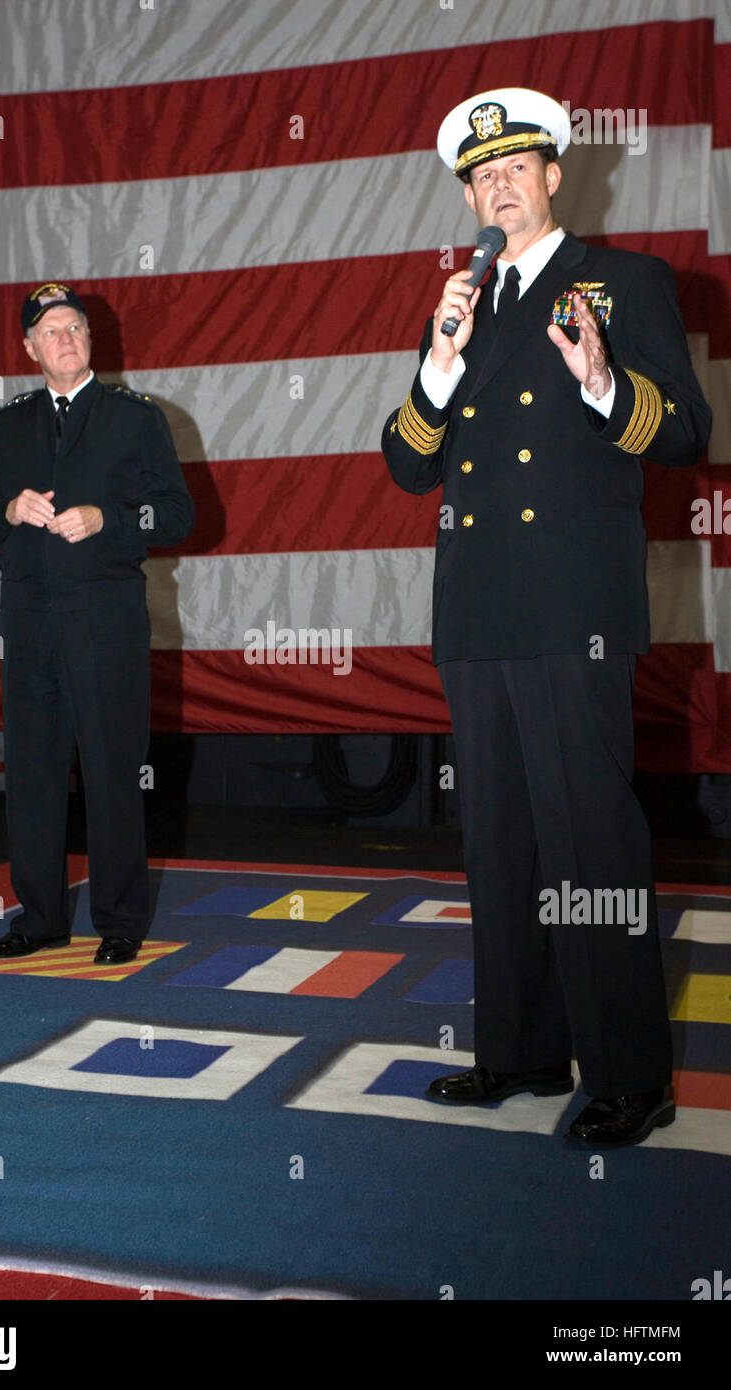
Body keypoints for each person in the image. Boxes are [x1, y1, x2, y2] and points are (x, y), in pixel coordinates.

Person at [381, 89, 712, 1147]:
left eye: (515, 167)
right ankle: (517, 1050)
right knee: (500, 843)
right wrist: (436, 361)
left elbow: (683, 432)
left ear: (553, 175)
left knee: (589, 844)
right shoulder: (460, 304)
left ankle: (626, 1073)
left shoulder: (621, 283)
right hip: (476, 608)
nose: (498, 186)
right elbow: (401, 461)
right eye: (480, 177)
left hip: (571, 605)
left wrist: (605, 385)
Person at [0, 283, 194, 964]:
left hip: (104, 620)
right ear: (29, 348)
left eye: (76, 328)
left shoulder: (134, 416)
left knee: (114, 771)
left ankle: (118, 920)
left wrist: (107, 521)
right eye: (51, 330)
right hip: (28, 620)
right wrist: (5, 510)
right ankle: (39, 916)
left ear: (92, 341)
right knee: (30, 772)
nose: (65, 338)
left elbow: (177, 516)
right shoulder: (8, 424)